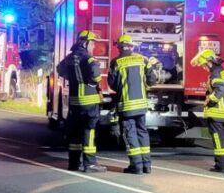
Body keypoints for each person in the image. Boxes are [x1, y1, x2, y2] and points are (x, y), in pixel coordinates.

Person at [108, 34, 159, 174]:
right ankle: (147, 166)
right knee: (142, 132)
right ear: (131, 46)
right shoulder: (143, 59)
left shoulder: (116, 62)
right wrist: (143, 87)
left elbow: (112, 84)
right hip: (141, 105)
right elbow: (152, 80)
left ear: (119, 47)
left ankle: (136, 166)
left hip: (126, 105)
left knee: (130, 134)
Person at [56, 30, 105, 173]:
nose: (93, 46)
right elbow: (96, 77)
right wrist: (91, 82)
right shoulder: (89, 59)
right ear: (85, 43)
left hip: (74, 102)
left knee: (75, 132)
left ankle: (73, 163)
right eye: (92, 43)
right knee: (89, 131)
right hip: (89, 102)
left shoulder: (70, 57)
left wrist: (73, 78)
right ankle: (90, 164)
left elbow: (60, 70)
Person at [191, 49, 224, 172]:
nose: (204, 68)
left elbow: (220, 90)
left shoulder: (215, 74)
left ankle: (220, 166)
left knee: (218, 140)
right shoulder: (222, 71)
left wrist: (210, 101)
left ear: (209, 62)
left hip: (217, 113)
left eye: (204, 65)